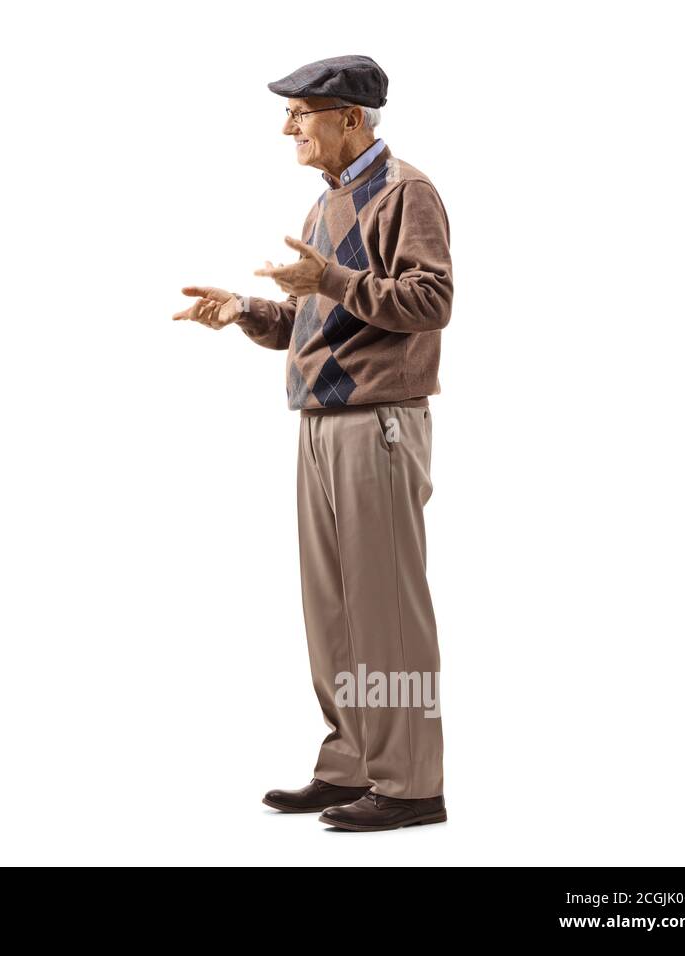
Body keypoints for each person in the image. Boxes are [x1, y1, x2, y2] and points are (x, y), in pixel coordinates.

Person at [173, 54, 452, 831]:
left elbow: (431, 299)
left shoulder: (407, 193)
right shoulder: (325, 207)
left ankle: (410, 784)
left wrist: (325, 281)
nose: (288, 126)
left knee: (387, 608)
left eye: (303, 112)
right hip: (321, 424)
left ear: (352, 119)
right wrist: (249, 312)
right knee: (332, 609)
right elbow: (321, 319)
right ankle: (354, 764)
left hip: (380, 425)